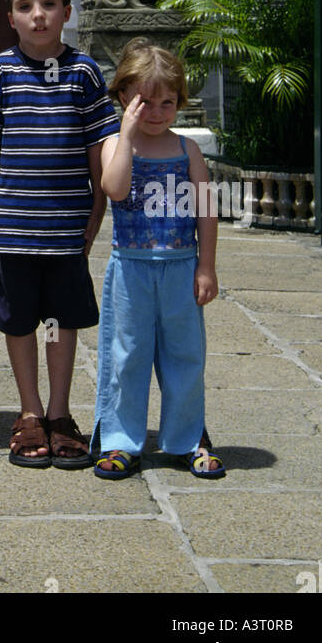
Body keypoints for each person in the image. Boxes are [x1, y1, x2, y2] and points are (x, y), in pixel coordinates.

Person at [0, 0, 119, 468]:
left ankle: (58, 413)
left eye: (49, 4)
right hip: (14, 224)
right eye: (26, 7)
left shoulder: (84, 72)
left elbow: (99, 146)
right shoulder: (0, 72)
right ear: (11, 16)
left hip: (66, 227)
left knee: (58, 319)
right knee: (21, 319)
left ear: (67, 12)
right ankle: (28, 411)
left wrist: (98, 210)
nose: (38, 15)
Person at [91, 39, 225, 480]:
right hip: (130, 269)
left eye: (168, 102)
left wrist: (206, 265)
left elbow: (206, 208)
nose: (157, 112)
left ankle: (189, 438)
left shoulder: (188, 151)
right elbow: (114, 189)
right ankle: (120, 440)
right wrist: (127, 135)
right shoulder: (115, 146)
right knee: (126, 356)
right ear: (123, 97)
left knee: (186, 355)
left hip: (181, 266)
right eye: (145, 102)